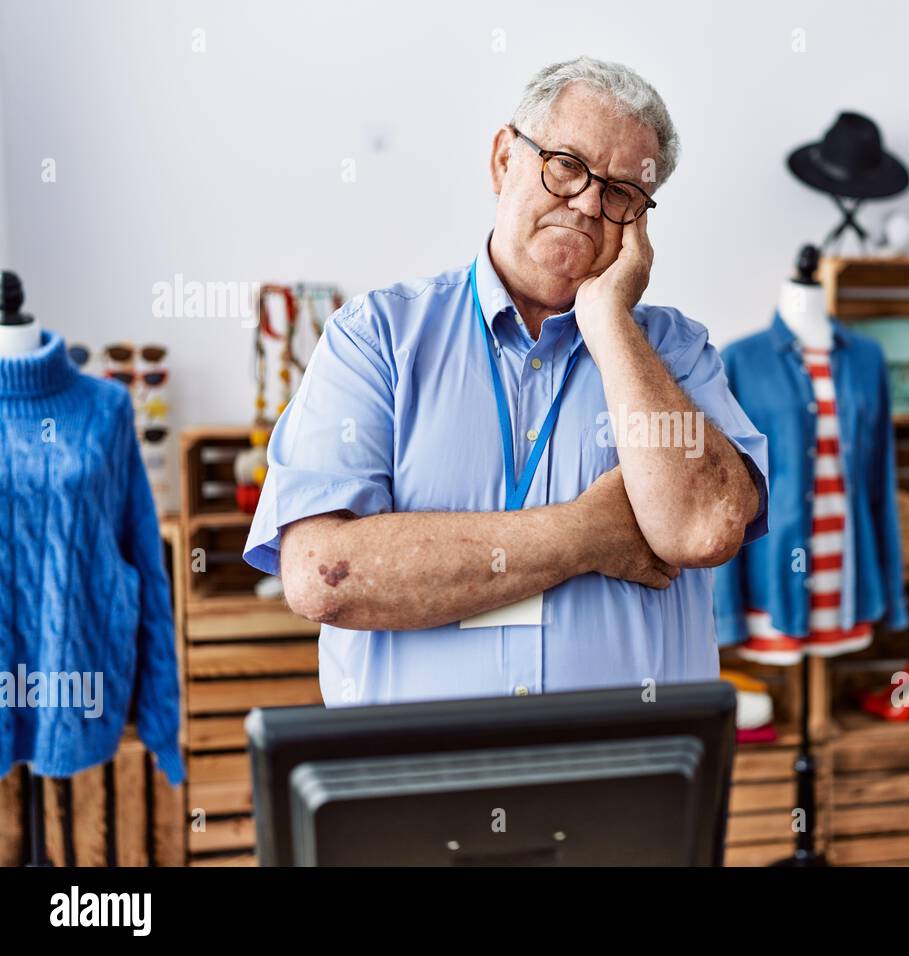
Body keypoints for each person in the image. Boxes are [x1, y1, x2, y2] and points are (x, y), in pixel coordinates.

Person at [243, 55, 769, 706]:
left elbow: (703, 530)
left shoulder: (677, 353)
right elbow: (325, 576)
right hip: (418, 787)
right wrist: (587, 533)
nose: (586, 203)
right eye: (567, 165)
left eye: (620, 194)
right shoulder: (374, 337)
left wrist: (606, 318)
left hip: (628, 781)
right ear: (503, 159)